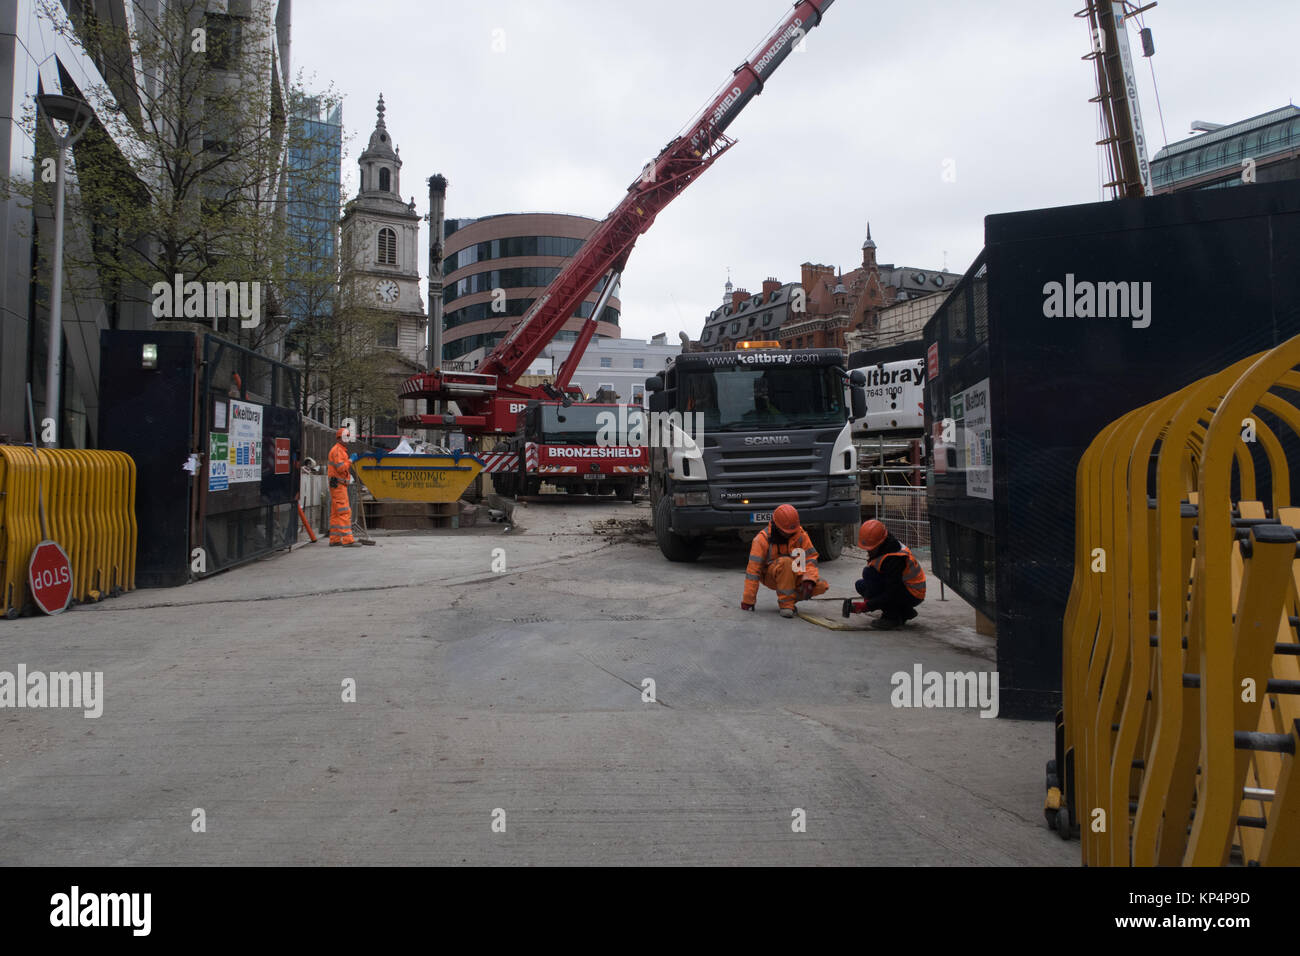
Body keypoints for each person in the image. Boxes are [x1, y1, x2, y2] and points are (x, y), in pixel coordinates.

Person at [740, 503, 829, 618]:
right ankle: (786, 605)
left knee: (821, 585)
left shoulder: (800, 536)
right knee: (786, 562)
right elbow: (753, 572)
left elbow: (809, 560)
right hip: (771, 575)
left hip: (795, 573)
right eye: (786, 532)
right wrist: (748, 599)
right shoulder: (761, 539)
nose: (789, 535)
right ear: (776, 526)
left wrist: (808, 580)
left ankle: (790, 599)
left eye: (791, 532)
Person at [851, 519, 925, 629]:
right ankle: (905, 611)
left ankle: (891, 618)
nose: (868, 551)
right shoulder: (888, 545)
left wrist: (867, 606)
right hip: (905, 590)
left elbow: (891, 593)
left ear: (880, 543)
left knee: (870, 575)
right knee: (861, 585)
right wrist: (868, 598)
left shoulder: (894, 559)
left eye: (871, 548)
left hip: (912, 594)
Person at [328, 428, 360, 547]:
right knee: (344, 511)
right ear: (339, 438)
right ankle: (348, 540)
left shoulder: (340, 450)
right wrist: (351, 460)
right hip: (338, 485)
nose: (347, 439)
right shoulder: (337, 451)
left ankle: (335, 539)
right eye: (345, 437)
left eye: (348, 436)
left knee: (336, 513)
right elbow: (341, 468)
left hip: (338, 485)